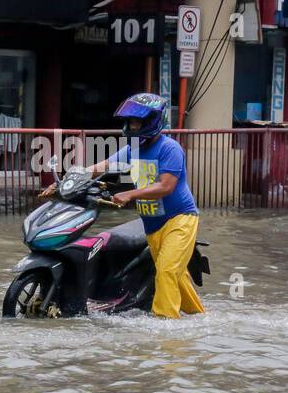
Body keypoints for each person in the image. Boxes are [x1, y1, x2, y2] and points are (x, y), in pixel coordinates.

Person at [54, 93, 203, 319]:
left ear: (152, 120)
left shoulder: (170, 149)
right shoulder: (133, 149)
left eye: (137, 121)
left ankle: (166, 329)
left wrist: (130, 194)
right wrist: (65, 182)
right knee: (175, 275)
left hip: (179, 219)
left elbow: (166, 186)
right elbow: (102, 166)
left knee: (166, 271)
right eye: (130, 121)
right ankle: (199, 318)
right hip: (153, 226)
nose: (132, 125)